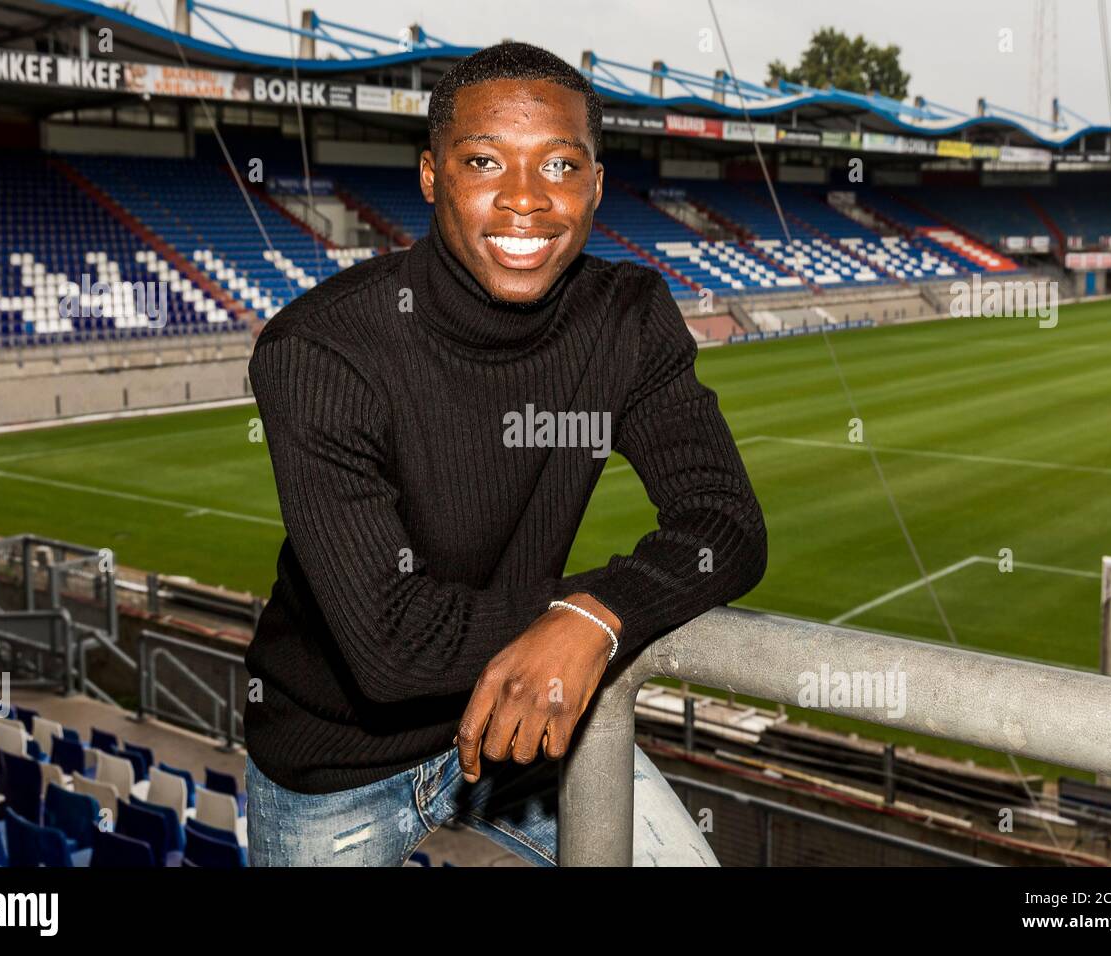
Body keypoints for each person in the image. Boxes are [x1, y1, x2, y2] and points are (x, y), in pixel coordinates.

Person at [243, 40, 767, 866]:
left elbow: (726, 523)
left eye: (560, 165)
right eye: (484, 160)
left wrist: (595, 615)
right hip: (335, 764)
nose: (525, 200)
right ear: (430, 176)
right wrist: (564, 615)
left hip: (534, 731)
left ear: (594, 185)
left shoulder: (627, 315)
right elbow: (388, 647)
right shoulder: (320, 349)